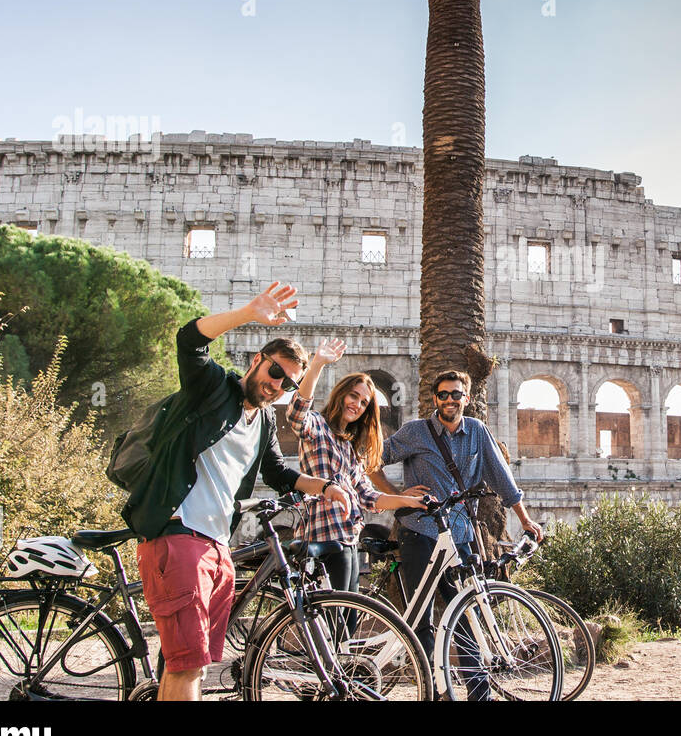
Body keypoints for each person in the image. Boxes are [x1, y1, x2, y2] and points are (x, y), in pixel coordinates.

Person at [129, 282, 352, 701]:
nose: (276, 386)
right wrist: (249, 312)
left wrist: (326, 487)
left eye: (287, 385)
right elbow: (189, 340)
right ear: (257, 361)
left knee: (190, 666)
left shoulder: (265, 422)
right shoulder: (212, 389)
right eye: (275, 373)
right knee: (187, 667)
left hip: (216, 543)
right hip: (178, 533)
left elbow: (279, 472)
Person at [374, 369, 544, 697]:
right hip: (419, 532)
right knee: (420, 617)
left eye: (456, 394)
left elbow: (501, 477)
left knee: (467, 614)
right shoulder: (415, 432)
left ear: (466, 398)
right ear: (434, 399)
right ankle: (433, 690)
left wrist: (524, 519)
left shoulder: (478, 431)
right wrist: (397, 495)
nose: (449, 400)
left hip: (460, 534)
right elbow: (371, 460)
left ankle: (479, 692)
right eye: (443, 395)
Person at [286, 338, 428, 609]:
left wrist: (405, 500)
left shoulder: (350, 447)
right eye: (354, 396)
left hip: (349, 538)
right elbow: (296, 414)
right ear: (341, 393)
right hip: (321, 536)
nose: (357, 405)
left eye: (364, 403)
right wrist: (317, 364)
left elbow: (368, 497)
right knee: (331, 621)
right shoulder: (316, 427)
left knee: (346, 624)